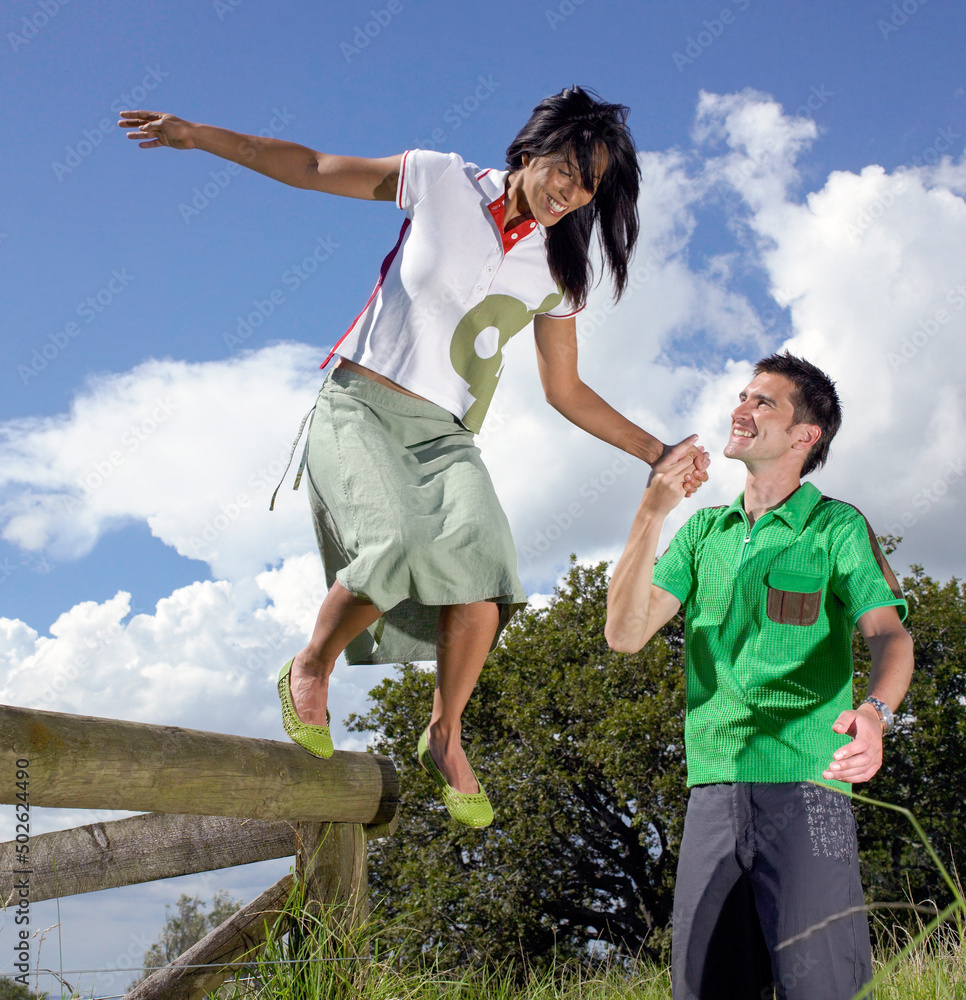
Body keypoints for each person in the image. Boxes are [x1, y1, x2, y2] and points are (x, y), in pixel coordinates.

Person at [120, 87, 707, 829]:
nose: (571, 192)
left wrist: (659, 454)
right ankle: (311, 663)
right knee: (394, 545)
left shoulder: (557, 275)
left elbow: (568, 391)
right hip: (360, 405)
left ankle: (445, 734)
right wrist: (198, 134)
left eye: (588, 186)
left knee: (488, 569)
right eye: (565, 168)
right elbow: (310, 164)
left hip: (446, 438)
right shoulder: (439, 180)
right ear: (529, 152)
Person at [606, 352, 914, 1000]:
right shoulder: (702, 534)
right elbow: (624, 633)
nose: (740, 409)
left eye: (763, 402)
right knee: (706, 987)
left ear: (806, 436)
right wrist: (651, 511)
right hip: (712, 792)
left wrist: (875, 713)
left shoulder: (835, 527)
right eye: (742, 396)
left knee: (821, 988)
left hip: (810, 788)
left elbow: (888, 634)